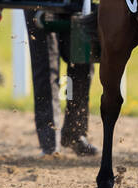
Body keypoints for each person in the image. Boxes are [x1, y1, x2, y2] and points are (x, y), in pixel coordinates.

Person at [27, 11, 96, 156]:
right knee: (46, 66)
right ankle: (50, 142)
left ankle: (73, 133)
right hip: (40, 0)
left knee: (81, 60)